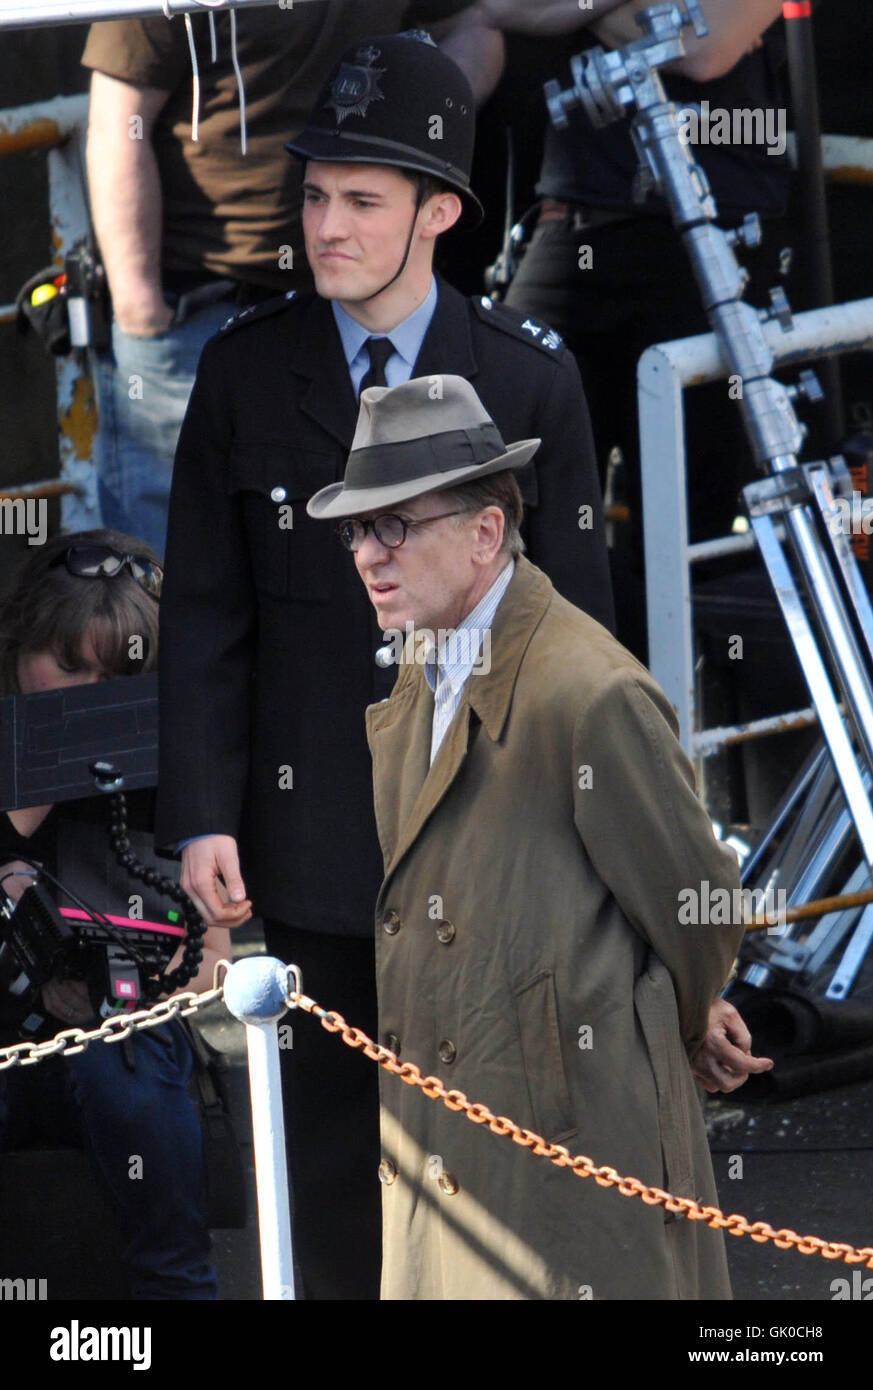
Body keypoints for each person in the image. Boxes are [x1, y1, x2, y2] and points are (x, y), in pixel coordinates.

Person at [156, 31, 613, 1300]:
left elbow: (582, 648)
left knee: (491, 1190)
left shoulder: (530, 382)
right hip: (307, 865)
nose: (326, 223)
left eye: (363, 198)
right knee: (325, 1184)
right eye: (314, 193)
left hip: (488, 861)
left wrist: (588, 859)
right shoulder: (245, 377)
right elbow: (204, 613)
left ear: (443, 213)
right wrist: (201, 815)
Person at [306, 372, 769, 1299]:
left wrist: (677, 1012)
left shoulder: (588, 692)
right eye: (358, 527)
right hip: (461, 1137)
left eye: (395, 523)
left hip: (562, 1155)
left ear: (485, 532)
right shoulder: (423, 657)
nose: (367, 553)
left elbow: (699, 903)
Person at [81, 2, 501, 555]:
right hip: (198, 304)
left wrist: (419, 134)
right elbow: (116, 124)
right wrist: (141, 312)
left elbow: (474, 24)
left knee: (347, 547)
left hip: (355, 308)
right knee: (165, 561)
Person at [475, 0, 790, 658]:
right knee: (510, 494)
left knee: (682, 527)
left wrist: (569, 12)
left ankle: (672, 729)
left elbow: (706, 47)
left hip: (708, 238)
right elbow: (488, 16)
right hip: (571, 223)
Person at [0, 529, 230, 1301]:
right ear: (21, 648)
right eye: (66, 667)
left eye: (111, 677)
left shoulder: (170, 771)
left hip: (121, 1049)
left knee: (124, 1074)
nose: (85, 695)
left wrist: (123, 982)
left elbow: (214, 969)